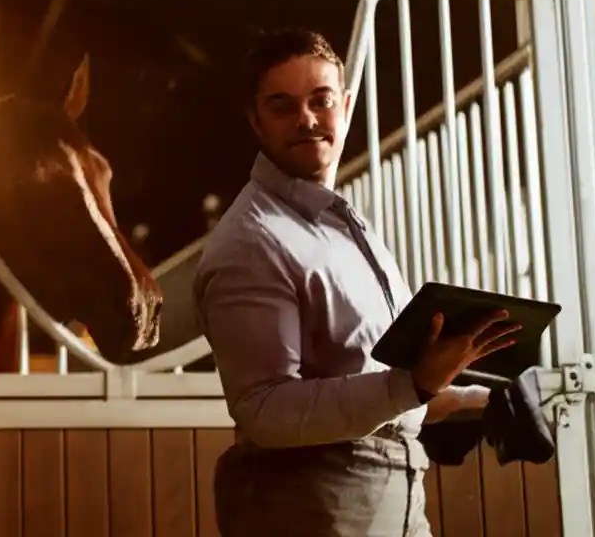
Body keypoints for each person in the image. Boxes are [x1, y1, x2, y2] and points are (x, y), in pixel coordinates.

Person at [193, 28, 520, 537]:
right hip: (314, 513)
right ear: (255, 121)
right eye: (282, 106)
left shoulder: (342, 224)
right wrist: (414, 384)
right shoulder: (251, 241)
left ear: (345, 106)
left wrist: (476, 398)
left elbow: (374, 384)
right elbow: (265, 410)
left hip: (393, 503)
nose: (307, 119)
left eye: (320, 100)